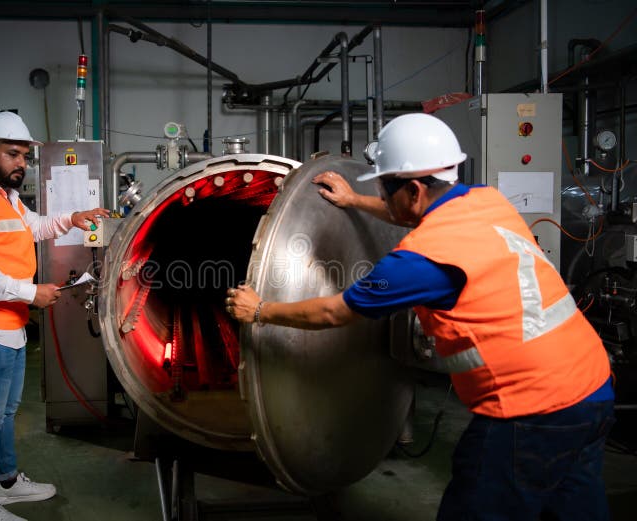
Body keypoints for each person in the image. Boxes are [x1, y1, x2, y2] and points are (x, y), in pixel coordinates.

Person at [226, 112, 615, 520]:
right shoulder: (485, 199)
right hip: (592, 388)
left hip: (530, 411)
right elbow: (410, 211)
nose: (381, 193)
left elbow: (332, 312)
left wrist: (260, 309)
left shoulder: (422, 260)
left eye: (383, 186)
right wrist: (354, 201)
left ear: (412, 188)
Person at [0, 111, 109, 521]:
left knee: (5, 412)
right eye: (12, 154)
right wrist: (30, 292)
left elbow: (33, 227)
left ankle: (7, 481)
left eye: (24, 156)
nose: (21, 163)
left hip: (10, 325)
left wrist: (72, 219)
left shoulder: (8, 199)